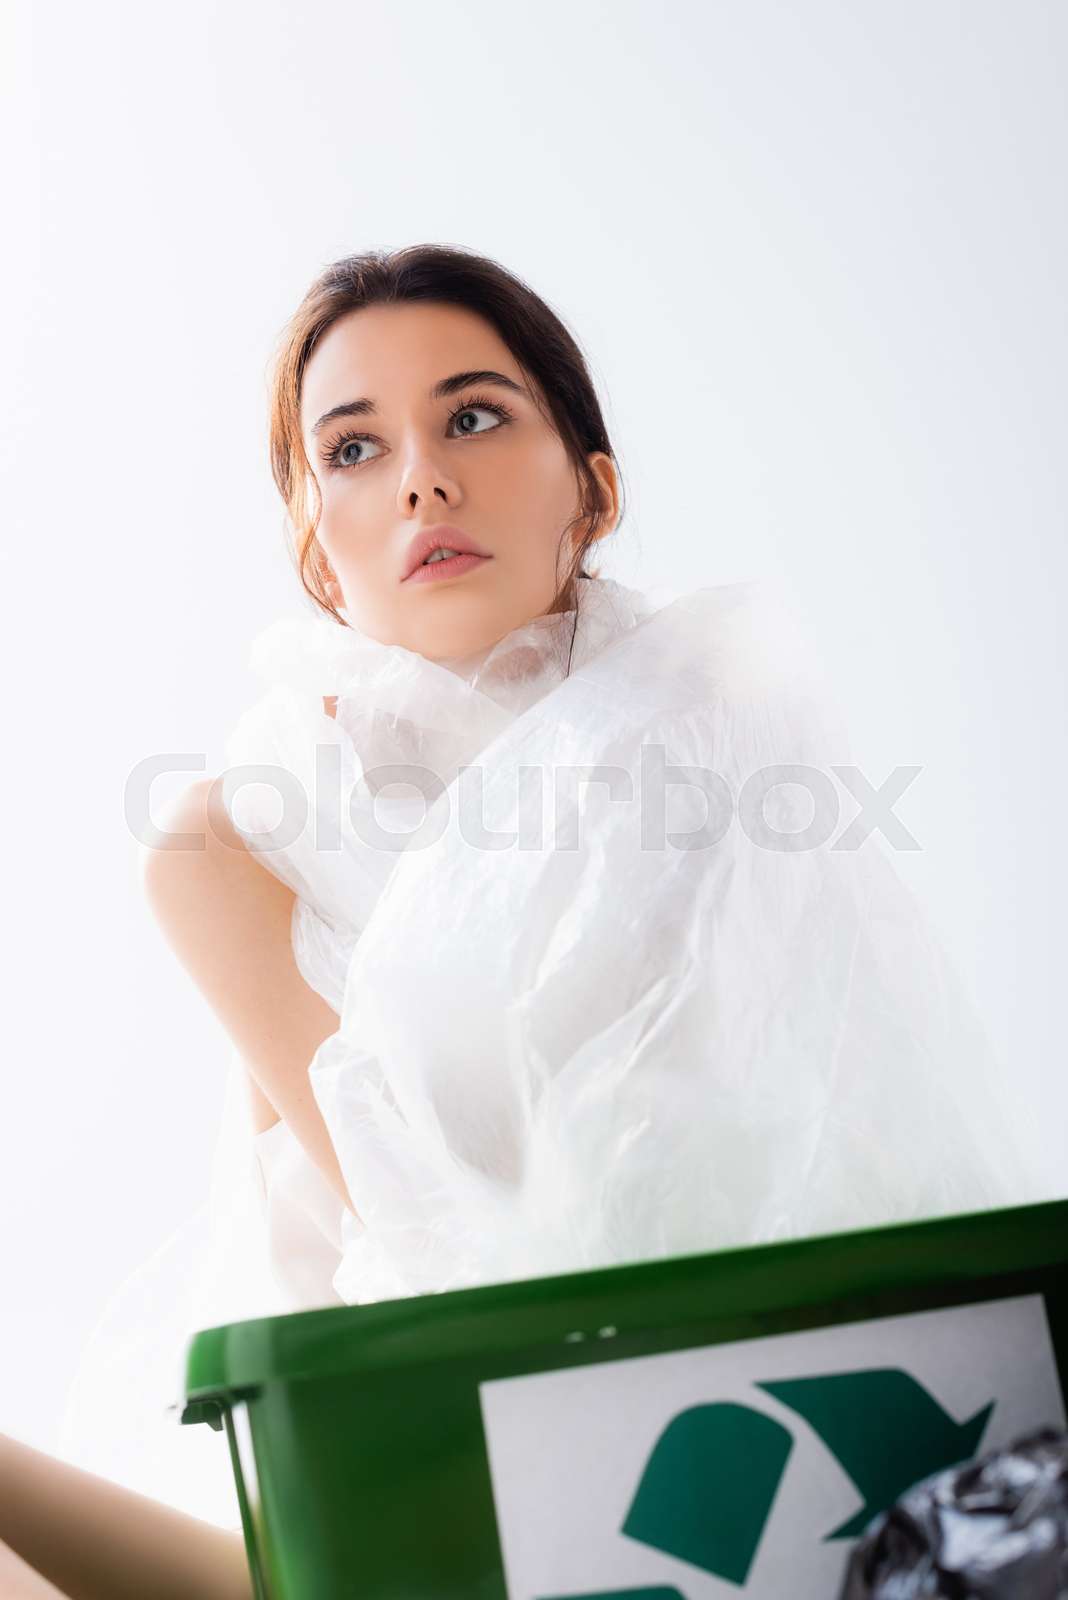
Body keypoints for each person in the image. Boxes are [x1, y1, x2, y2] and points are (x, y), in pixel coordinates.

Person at [16, 243, 1041, 1595]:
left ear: (593, 491)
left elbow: (864, 1188)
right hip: (412, 1488)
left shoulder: (727, 744)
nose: (422, 479)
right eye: (354, 450)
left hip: (768, 1452)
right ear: (317, 550)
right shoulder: (236, 839)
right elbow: (438, 1242)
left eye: (474, 417)